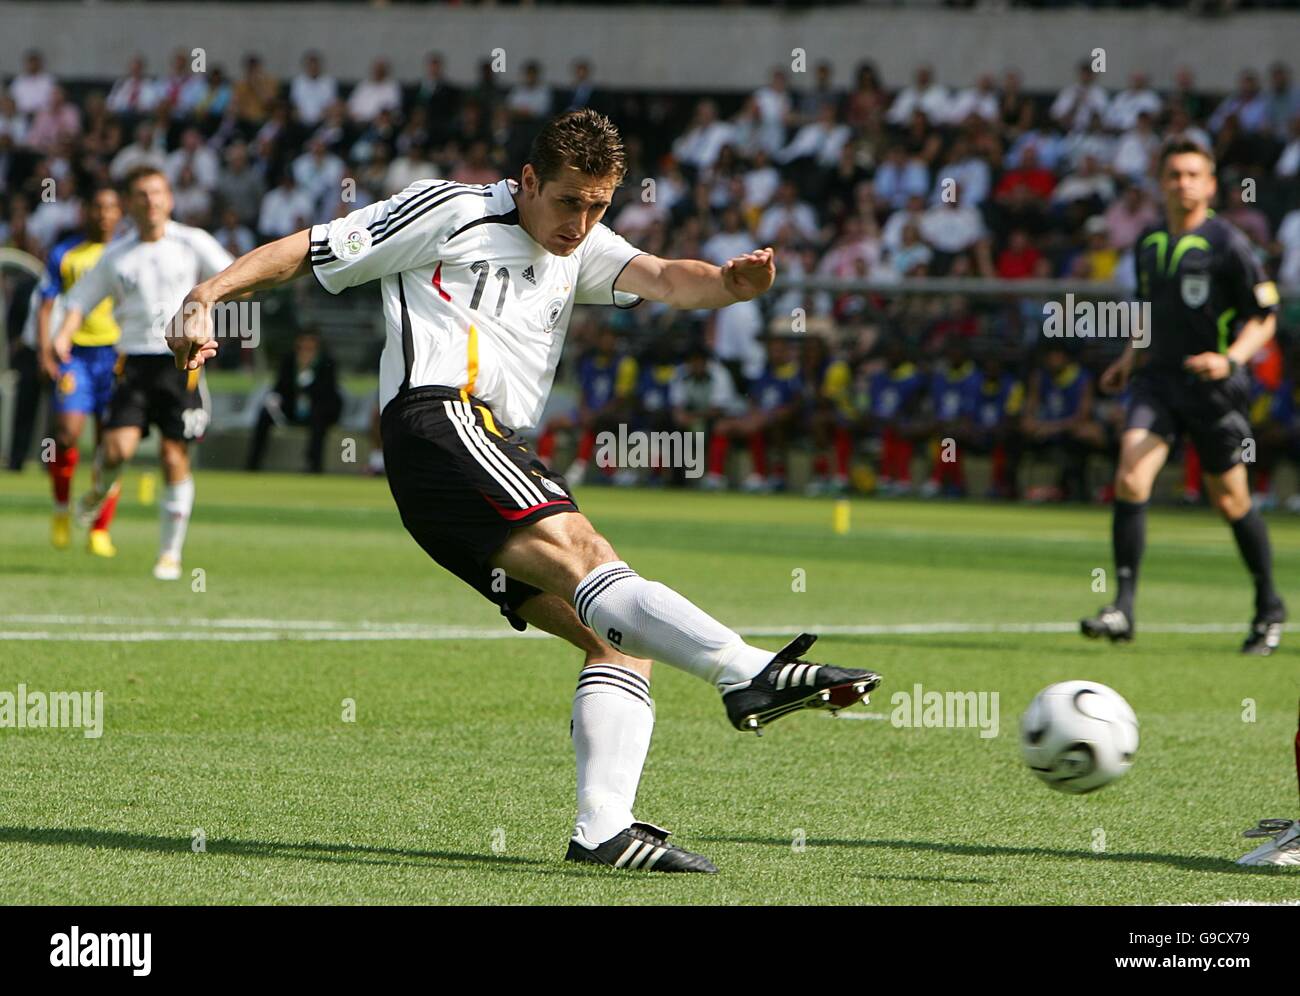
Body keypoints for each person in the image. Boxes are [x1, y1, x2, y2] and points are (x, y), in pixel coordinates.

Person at [165, 109, 881, 874]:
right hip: (438, 420)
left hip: (477, 457)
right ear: (529, 180)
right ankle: (748, 673)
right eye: (569, 200)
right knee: (589, 554)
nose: (582, 222)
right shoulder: (449, 209)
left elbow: (671, 278)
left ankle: (603, 830)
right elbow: (307, 249)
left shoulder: (587, 244)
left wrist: (733, 286)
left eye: (600, 204)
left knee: (616, 637)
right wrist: (208, 292)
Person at [1081, 137, 1285, 655]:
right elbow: (1149, 311)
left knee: (1231, 500)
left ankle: (1269, 605)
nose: (1183, 183)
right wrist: (1130, 357)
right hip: (1158, 380)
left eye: (1193, 174)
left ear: (1211, 184)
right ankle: (1122, 609)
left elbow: (1265, 317)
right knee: (1130, 472)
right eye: (1174, 174)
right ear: (1161, 182)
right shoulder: (1148, 242)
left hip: (1213, 386)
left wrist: (1231, 359)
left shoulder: (1228, 242)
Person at [53, 166, 234, 580]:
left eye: (157, 193)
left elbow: (235, 277)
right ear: (129, 204)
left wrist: (211, 316)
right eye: (141, 195)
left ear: (169, 199)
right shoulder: (117, 255)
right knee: (117, 451)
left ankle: (170, 555)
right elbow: (79, 300)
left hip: (182, 363)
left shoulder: (192, 242)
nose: (150, 201)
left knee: (174, 455)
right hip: (132, 362)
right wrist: (63, 336)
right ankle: (100, 490)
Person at [36, 186, 124, 555]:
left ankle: (99, 527)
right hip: (75, 355)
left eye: (110, 208)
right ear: (85, 211)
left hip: (118, 356)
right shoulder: (65, 253)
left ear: (120, 213)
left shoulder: (129, 252)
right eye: (97, 207)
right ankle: (60, 510)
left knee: (113, 446)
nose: (103, 214)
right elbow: (45, 305)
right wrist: (45, 351)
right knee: (66, 434)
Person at [246, 327, 343, 474]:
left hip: (317, 410)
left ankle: (314, 466)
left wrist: (307, 386)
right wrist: (275, 398)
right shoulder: (289, 360)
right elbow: (280, 386)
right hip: (292, 408)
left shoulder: (327, 362)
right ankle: (252, 464)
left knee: (318, 421)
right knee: (264, 416)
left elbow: (329, 392)